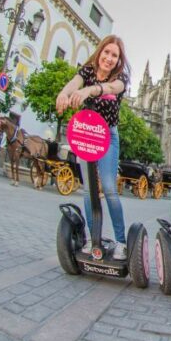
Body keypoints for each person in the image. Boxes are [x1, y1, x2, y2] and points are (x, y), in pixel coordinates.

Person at [56, 35, 131, 260]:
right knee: (89, 190)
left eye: (114, 55)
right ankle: (92, 239)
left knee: (108, 187)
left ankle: (121, 242)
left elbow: (110, 87)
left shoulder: (120, 78)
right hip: (85, 135)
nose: (109, 58)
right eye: (106, 52)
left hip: (107, 135)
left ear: (119, 60)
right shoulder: (86, 71)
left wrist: (89, 91)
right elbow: (73, 84)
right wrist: (63, 94)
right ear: (100, 53)